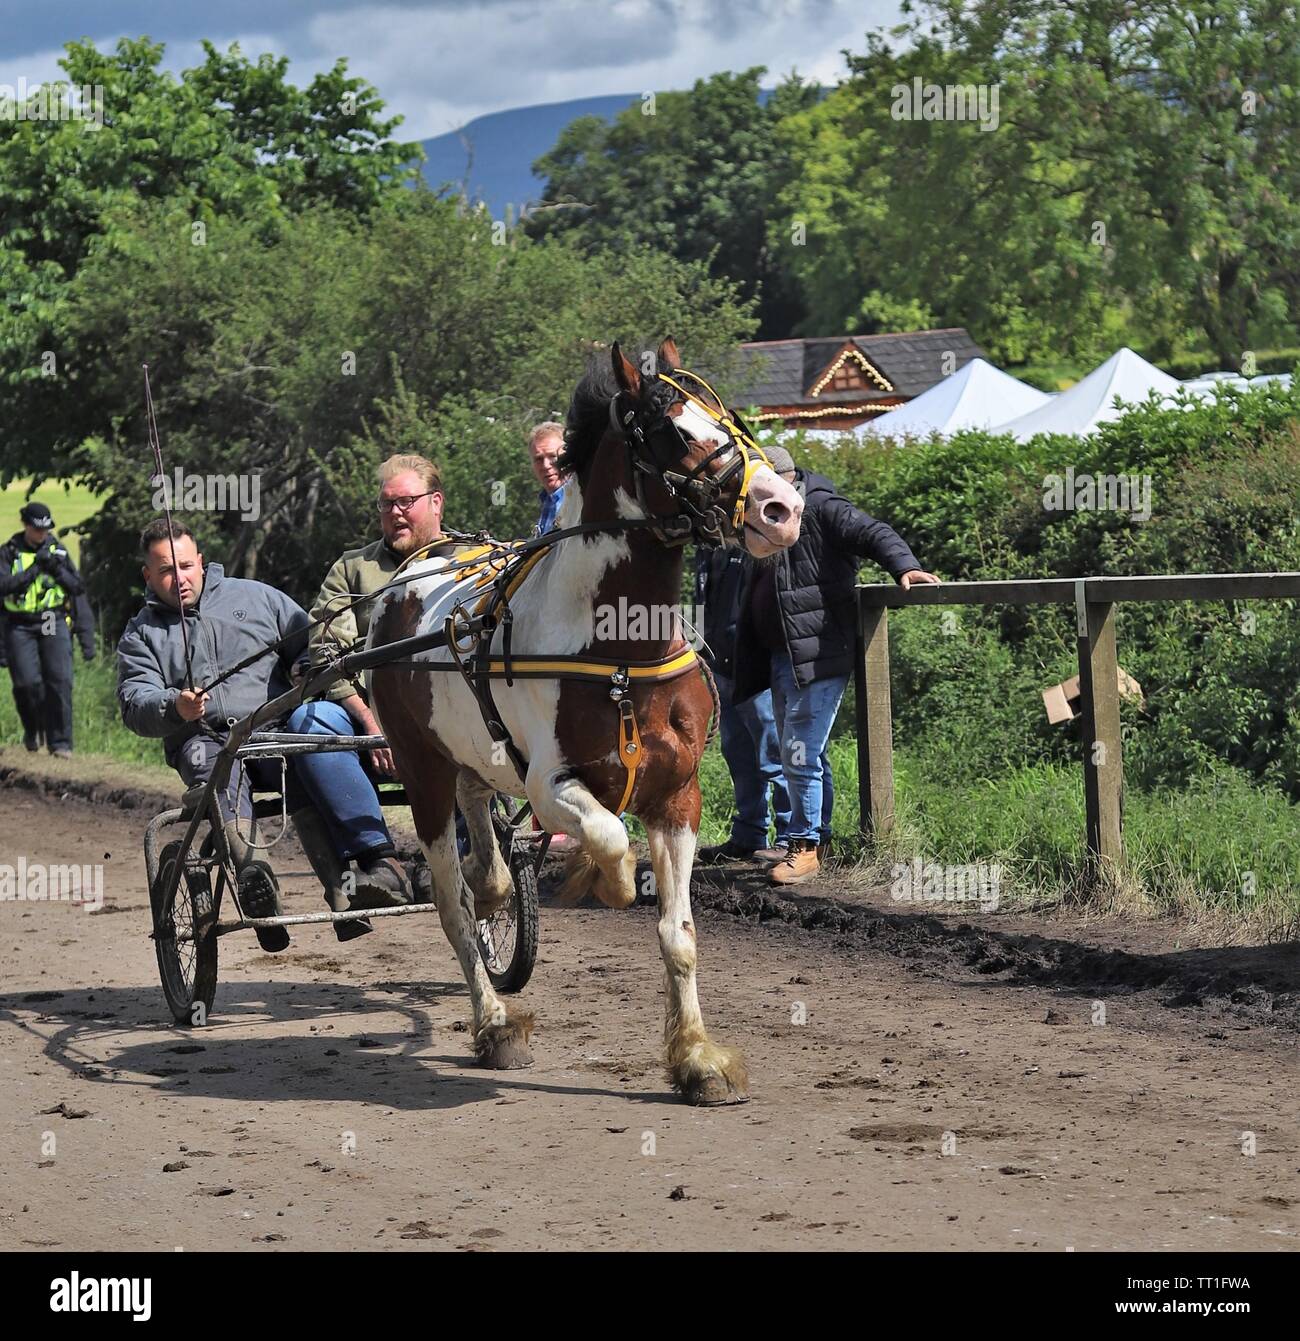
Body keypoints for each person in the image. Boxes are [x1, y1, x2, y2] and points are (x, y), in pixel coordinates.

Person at [733, 452, 940, 885]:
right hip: (782, 655)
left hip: (820, 653)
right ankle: (818, 840)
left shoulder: (823, 507)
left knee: (799, 750)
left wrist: (906, 566)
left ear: (783, 481)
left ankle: (804, 848)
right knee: (807, 752)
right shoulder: (760, 517)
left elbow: (872, 532)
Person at [289, 453, 463, 918]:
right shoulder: (352, 571)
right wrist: (374, 725)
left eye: (406, 502)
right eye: (387, 505)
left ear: (436, 503)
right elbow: (326, 653)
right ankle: (378, 861)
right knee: (308, 719)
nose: (395, 513)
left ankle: (462, 853)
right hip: (367, 717)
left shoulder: (471, 563)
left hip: (456, 716)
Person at [694, 535, 791, 864]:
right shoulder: (708, 545)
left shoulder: (759, 540)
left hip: (754, 665)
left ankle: (791, 838)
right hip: (720, 661)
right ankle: (749, 833)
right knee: (738, 753)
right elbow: (704, 603)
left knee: (774, 751)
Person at [0, 502, 90, 757]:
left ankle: (60, 743)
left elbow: (77, 586)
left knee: (59, 680)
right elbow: (4, 585)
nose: (42, 534)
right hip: (20, 622)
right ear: (25, 525)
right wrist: (35, 568)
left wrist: (56, 569)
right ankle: (33, 730)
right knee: (27, 683)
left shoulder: (57, 550)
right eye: (37, 529)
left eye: (45, 529)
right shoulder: (8, 552)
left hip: (52, 619)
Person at [529, 421, 568, 535]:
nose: (546, 465)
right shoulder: (548, 501)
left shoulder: (582, 502)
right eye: (539, 459)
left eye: (553, 457)